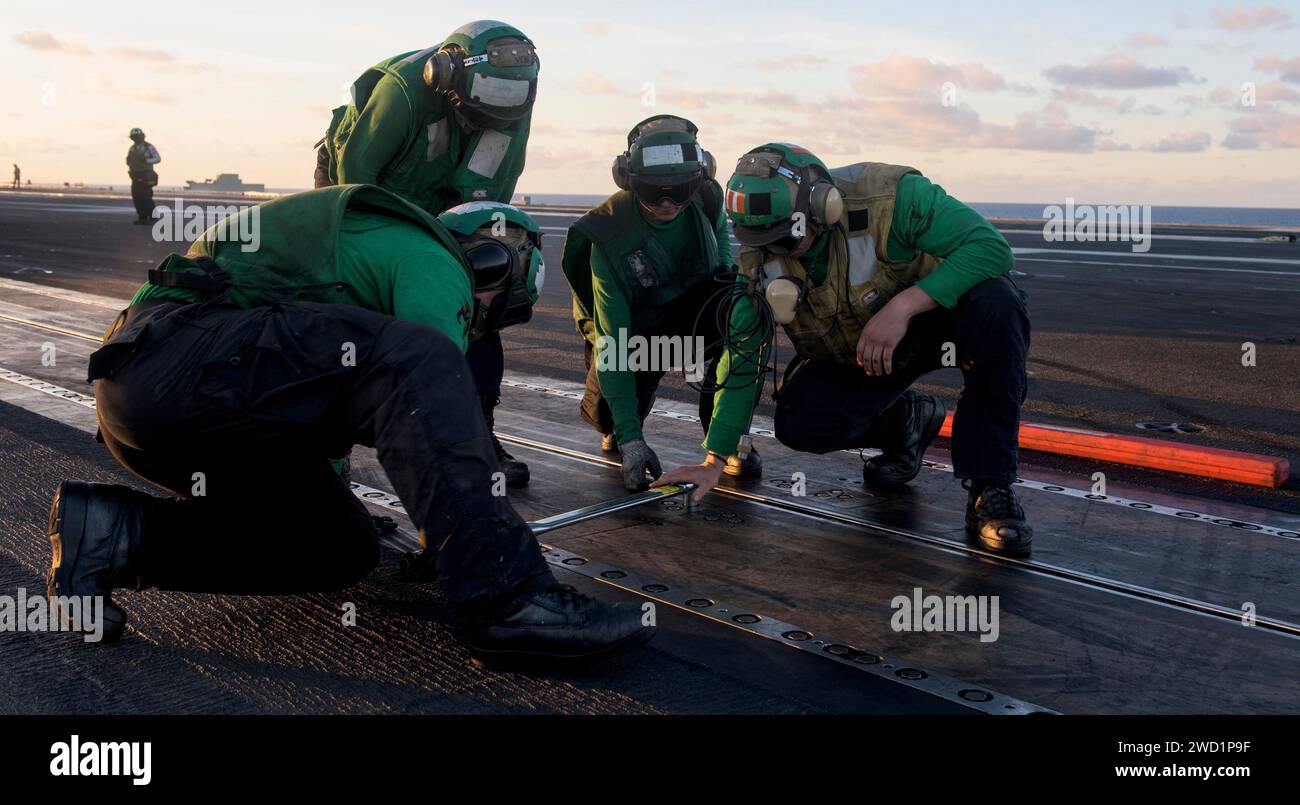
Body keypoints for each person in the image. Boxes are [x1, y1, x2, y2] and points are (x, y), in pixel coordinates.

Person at [47, 185, 654, 665]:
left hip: (170, 404)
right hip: (181, 364)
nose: (478, 317)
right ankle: (510, 600)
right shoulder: (434, 257)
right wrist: (466, 538)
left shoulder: (366, 280)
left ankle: (110, 533)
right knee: (423, 359)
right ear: (494, 260)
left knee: (338, 546)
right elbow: (430, 390)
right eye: (496, 303)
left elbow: (321, 411)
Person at [656, 143, 1034, 557]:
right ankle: (907, 420)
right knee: (801, 423)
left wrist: (904, 306)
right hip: (862, 352)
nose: (776, 251)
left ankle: (990, 486)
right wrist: (714, 459)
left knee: (998, 305)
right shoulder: (761, 255)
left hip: (936, 322)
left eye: (786, 237)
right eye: (766, 242)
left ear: (824, 206)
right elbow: (746, 351)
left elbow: (991, 248)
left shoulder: (892, 197)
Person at [317, 19, 538, 487]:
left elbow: (493, 196)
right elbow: (355, 176)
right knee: (353, 306)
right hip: (367, 186)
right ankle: (328, 461)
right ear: (446, 76)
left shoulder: (513, 99)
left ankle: (477, 433)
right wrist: (392, 255)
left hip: (447, 196)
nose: (492, 120)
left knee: (479, 300)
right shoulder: (402, 90)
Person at [561, 115, 760, 491]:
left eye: (680, 189)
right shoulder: (607, 234)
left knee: (735, 309)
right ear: (628, 181)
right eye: (653, 192)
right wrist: (632, 436)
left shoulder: (707, 201)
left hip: (683, 310)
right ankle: (621, 425)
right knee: (608, 418)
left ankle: (730, 440)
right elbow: (614, 341)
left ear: (699, 181)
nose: (667, 203)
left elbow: (723, 273)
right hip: (630, 328)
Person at [125, 128, 161, 224]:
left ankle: (153, 218)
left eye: (137, 136)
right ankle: (142, 217)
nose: (136, 138)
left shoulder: (149, 147)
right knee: (136, 197)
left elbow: (158, 159)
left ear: (142, 136)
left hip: (146, 175)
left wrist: (147, 160)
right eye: (134, 137)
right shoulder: (132, 148)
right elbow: (129, 161)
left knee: (146, 196)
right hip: (135, 176)